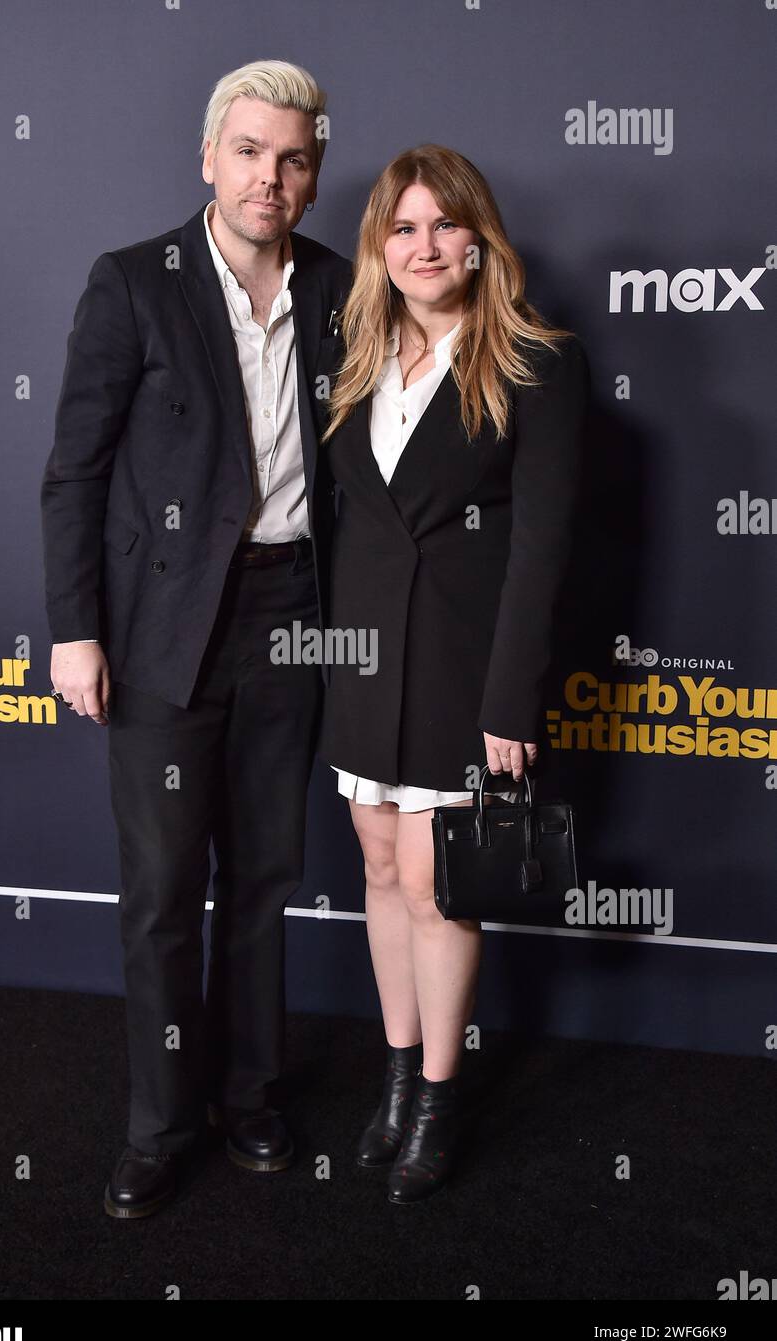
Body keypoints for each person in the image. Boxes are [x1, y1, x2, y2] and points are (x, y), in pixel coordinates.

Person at [41, 60, 352, 1219]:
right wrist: (77, 633)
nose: (270, 176)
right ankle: (162, 1124)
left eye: (293, 159)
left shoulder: (337, 287)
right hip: (162, 627)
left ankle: (251, 1094)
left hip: (292, 616)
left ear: (313, 179)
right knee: (167, 888)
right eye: (250, 152)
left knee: (267, 878)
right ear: (209, 157)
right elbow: (73, 474)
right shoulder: (133, 284)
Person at [317, 144, 589, 1203]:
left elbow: (543, 550)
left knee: (439, 888)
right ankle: (393, 1078)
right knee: (381, 873)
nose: (423, 246)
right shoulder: (357, 361)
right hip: (364, 668)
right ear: (381, 249)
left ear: (480, 238)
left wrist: (510, 699)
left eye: (443, 224)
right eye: (403, 228)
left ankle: (437, 1098)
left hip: (465, 673)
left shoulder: (535, 363)